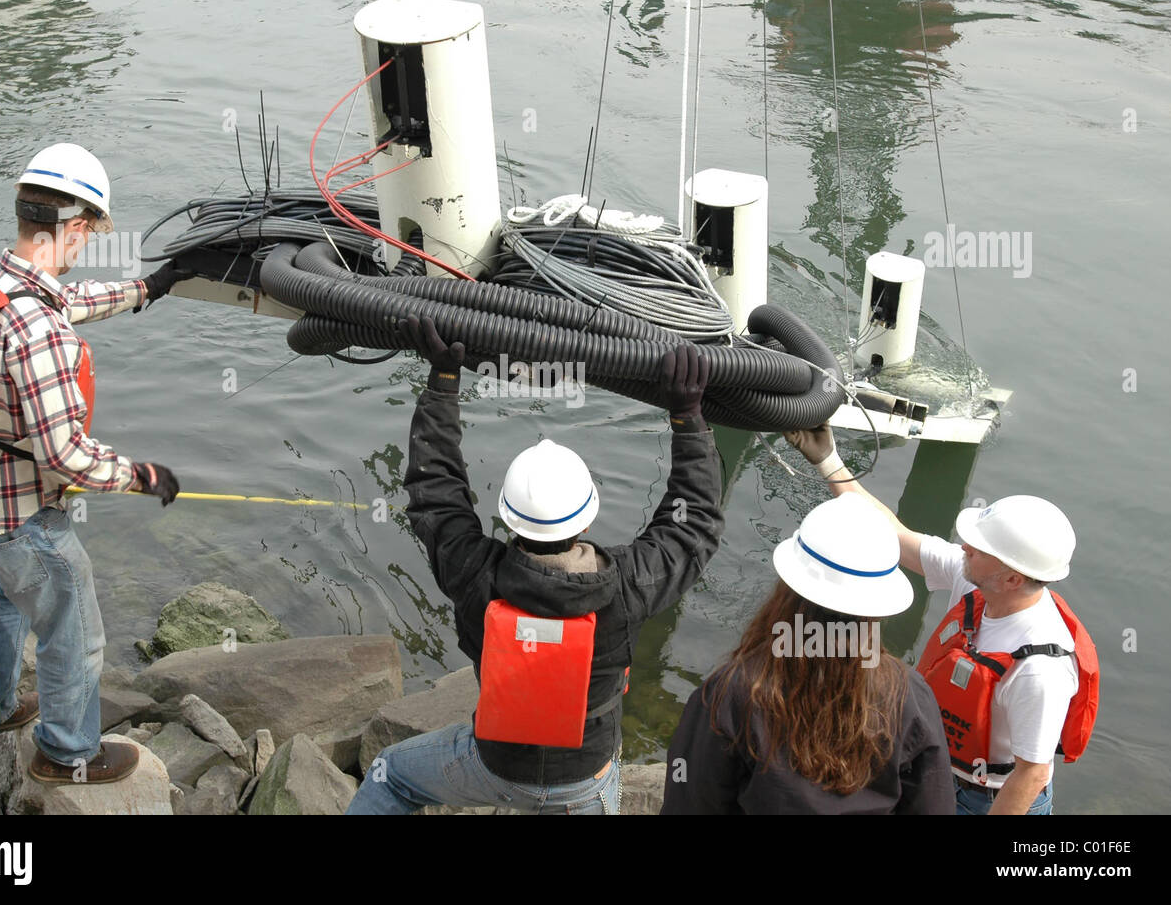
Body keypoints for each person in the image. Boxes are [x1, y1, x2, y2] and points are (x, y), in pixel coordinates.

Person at [346, 317, 724, 814]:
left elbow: (435, 493)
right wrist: (688, 416)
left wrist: (442, 382)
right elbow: (692, 523)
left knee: (390, 774)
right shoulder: (629, 588)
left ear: (507, 518)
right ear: (587, 520)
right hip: (584, 780)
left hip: (495, 766)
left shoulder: (473, 572)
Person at [0, 143, 189, 784]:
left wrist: (147, 289)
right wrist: (141, 475)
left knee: (4, 592)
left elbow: (65, 301)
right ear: (72, 228)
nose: (88, 245)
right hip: (9, 510)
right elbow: (64, 455)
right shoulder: (39, 330)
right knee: (72, 620)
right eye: (91, 233)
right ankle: (69, 752)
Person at [783, 423, 1097, 815]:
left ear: (1013, 578)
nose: (964, 547)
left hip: (987, 799)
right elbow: (894, 536)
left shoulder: (1040, 668)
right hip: (931, 768)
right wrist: (828, 461)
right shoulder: (978, 580)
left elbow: (1031, 774)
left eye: (979, 548)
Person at [661, 492, 955, 814]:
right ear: (877, 610)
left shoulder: (732, 693)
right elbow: (933, 805)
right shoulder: (910, 695)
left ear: (788, 591)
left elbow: (691, 804)